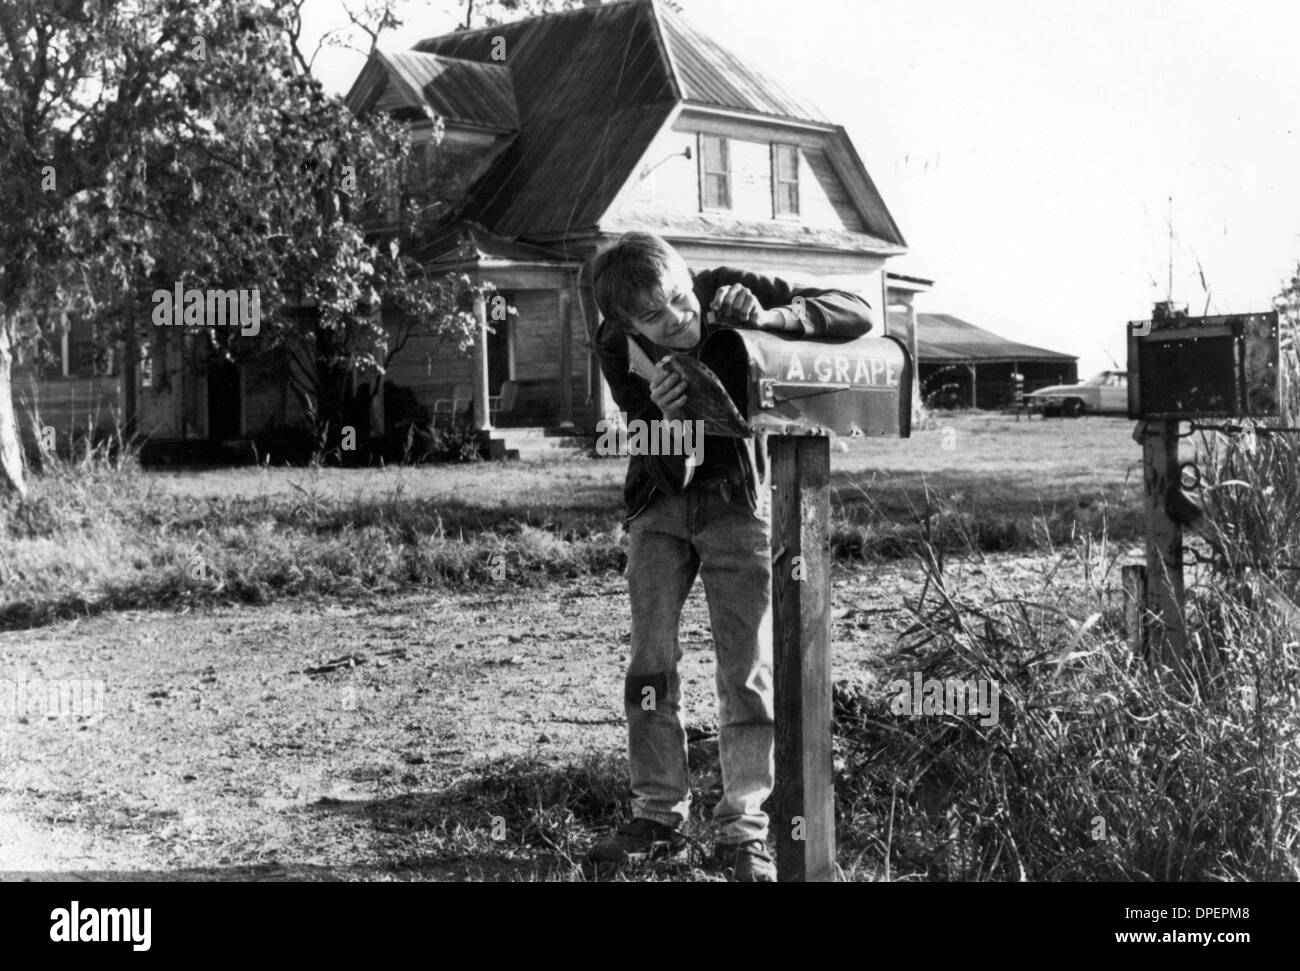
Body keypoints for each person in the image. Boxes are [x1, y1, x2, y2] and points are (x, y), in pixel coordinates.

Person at [584, 231, 875, 881]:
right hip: (659, 507)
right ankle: (658, 816)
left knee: (747, 668)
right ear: (625, 322)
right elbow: (655, 451)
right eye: (657, 318)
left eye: (683, 300)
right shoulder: (615, 345)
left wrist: (772, 317)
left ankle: (743, 826)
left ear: (692, 278)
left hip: (739, 504)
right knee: (650, 662)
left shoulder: (723, 288)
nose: (680, 318)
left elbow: (857, 310)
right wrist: (666, 424)